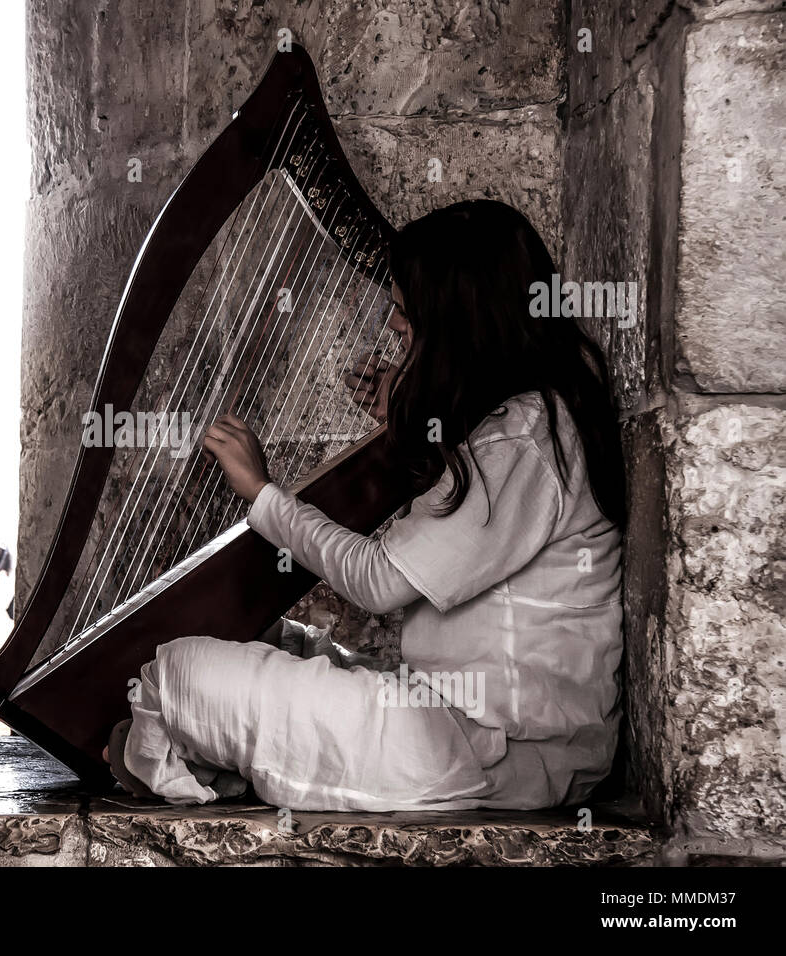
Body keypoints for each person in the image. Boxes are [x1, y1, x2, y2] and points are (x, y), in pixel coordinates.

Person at [102, 199, 627, 811]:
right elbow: (465, 532)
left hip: (500, 752)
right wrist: (413, 426)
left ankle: (193, 759)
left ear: (456, 328)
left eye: (407, 320)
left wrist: (265, 496)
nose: (397, 333)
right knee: (270, 638)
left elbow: (379, 580)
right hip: (469, 730)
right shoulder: (530, 422)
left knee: (179, 676)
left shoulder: (525, 439)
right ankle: (205, 761)